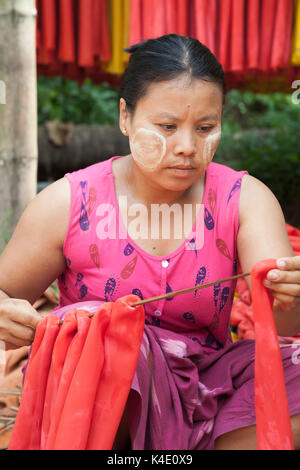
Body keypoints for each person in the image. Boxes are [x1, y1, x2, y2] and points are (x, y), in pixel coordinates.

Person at [0, 34, 300, 450]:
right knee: (107, 334)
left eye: (206, 128)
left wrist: (288, 296)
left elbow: (286, 326)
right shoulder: (68, 203)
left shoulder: (243, 199)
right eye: (166, 127)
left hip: (208, 391)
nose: (186, 148)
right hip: (101, 406)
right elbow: (4, 294)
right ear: (125, 117)